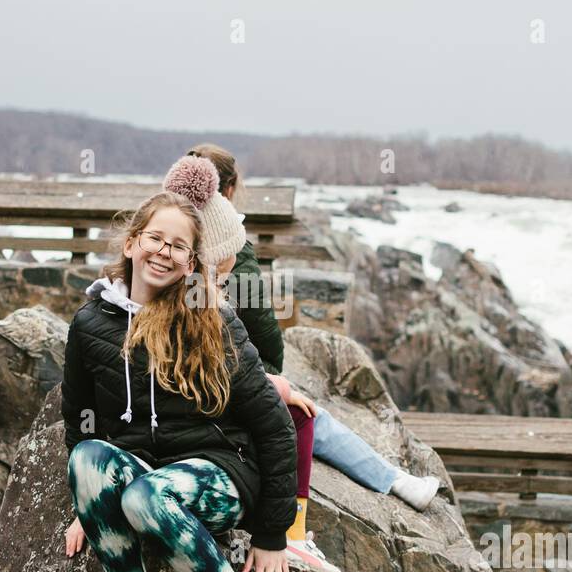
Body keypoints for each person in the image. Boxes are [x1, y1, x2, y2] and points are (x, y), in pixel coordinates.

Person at [61, 183, 302, 572]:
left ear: (192, 263)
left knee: (147, 496)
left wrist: (271, 535)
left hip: (219, 472)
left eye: (177, 247)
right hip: (146, 474)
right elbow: (79, 423)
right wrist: (87, 504)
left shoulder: (210, 319)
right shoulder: (90, 324)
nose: (163, 252)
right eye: (154, 239)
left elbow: (273, 426)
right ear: (131, 244)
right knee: (88, 462)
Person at [181, 144, 442, 523]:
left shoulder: (166, 236)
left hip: (194, 383)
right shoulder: (231, 248)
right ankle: (388, 484)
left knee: (292, 405)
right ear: (231, 190)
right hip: (214, 388)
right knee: (305, 415)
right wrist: (269, 376)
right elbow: (266, 336)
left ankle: (394, 481)